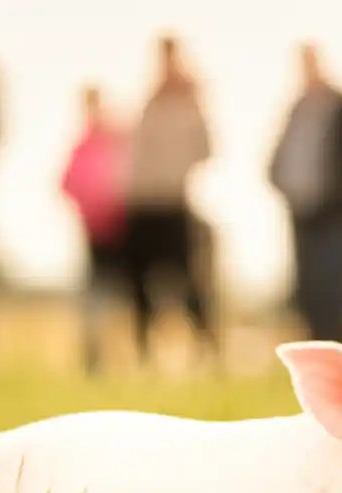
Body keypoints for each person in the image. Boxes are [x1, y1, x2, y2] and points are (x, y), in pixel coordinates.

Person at [267, 42, 342, 347]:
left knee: (338, 290)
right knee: (309, 289)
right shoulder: (296, 109)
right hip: (302, 215)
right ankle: (315, 352)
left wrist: (335, 198)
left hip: (338, 217)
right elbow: (277, 159)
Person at [125, 34, 216, 366]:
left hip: (173, 204)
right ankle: (144, 355)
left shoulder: (190, 102)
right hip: (140, 204)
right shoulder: (149, 101)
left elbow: (206, 149)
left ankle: (205, 351)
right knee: (140, 286)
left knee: (190, 284)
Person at [60, 85, 129, 374]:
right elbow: (66, 184)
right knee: (97, 296)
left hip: (124, 232)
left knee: (123, 297)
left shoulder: (121, 141)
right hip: (94, 234)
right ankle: (96, 357)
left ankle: (126, 354)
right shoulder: (83, 145)